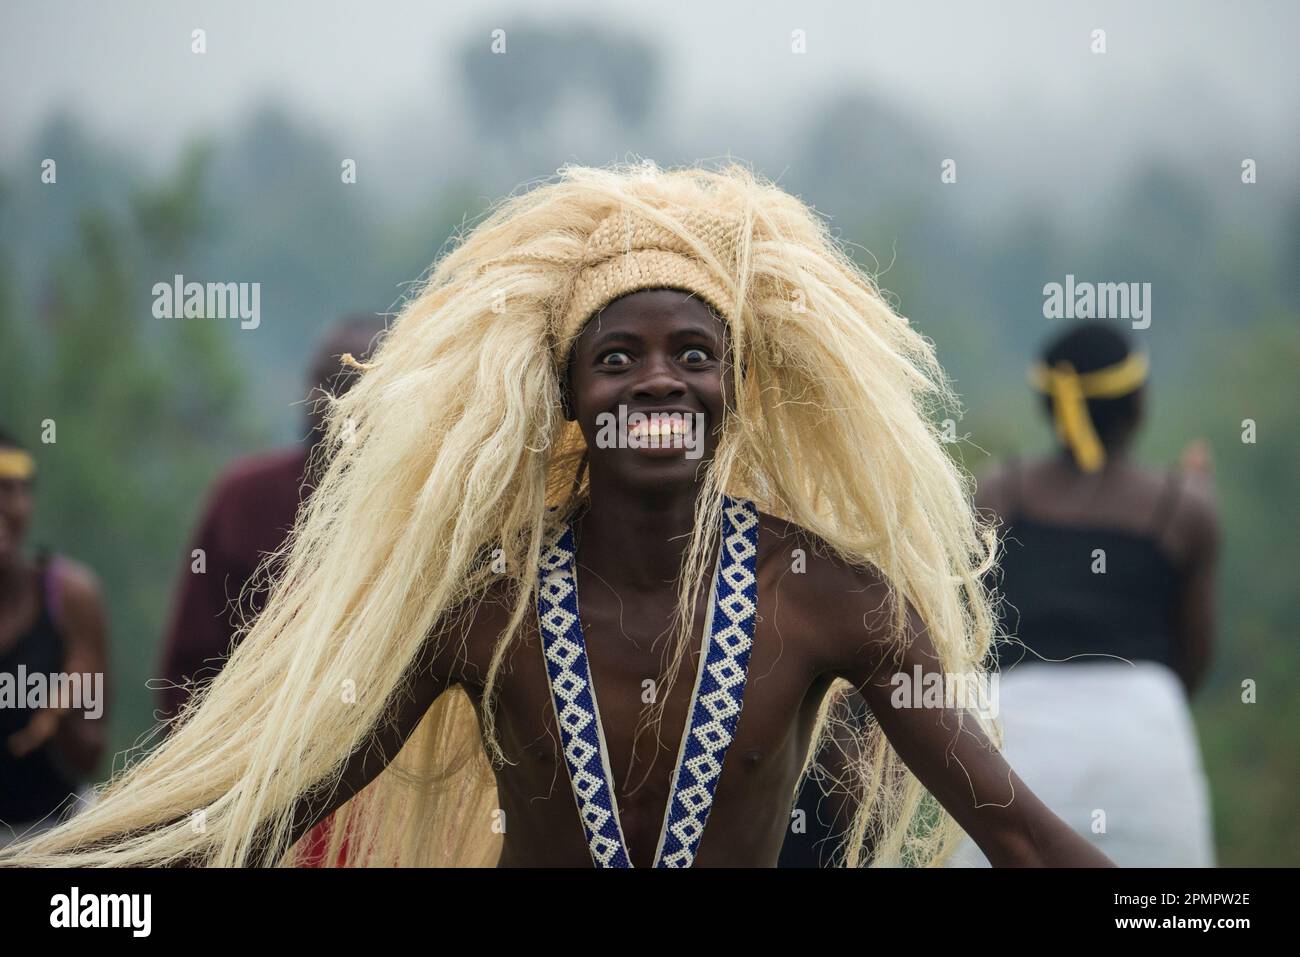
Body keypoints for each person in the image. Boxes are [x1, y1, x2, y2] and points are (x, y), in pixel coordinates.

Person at [1, 162, 1114, 867]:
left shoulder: (828, 601)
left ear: (735, 389)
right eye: (617, 358)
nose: (658, 385)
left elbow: (1014, 828)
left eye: (694, 356)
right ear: (569, 399)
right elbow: (257, 820)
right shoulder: (484, 612)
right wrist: (75, 898)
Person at [947, 320, 1218, 867]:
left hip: (1014, 753)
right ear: (1139, 405)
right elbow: (1194, 661)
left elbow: (962, 636)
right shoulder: (1184, 510)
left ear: (1048, 404)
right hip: (1147, 750)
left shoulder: (997, 494)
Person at [157, 314, 385, 865]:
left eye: (354, 383)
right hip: (251, 792)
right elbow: (187, 667)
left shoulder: (420, 514)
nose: (331, 400)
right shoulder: (243, 498)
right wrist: (199, 795)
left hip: (382, 802)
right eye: (322, 380)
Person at [0, 429, 109, 848]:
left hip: (58, 832)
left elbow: (92, 753)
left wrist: (58, 719)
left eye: (11, 490)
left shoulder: (71, 597)